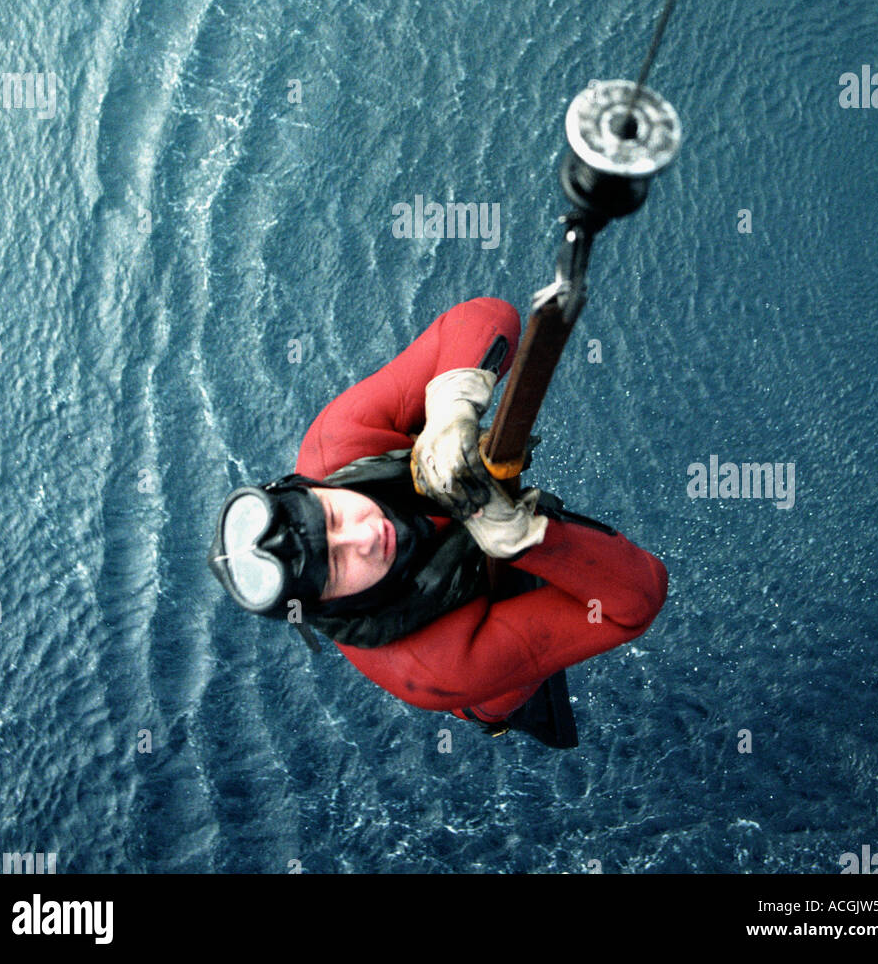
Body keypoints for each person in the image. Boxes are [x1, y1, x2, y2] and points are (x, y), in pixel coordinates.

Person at [208, 297, 668, 747]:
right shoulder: (437, 665)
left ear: (313, 486)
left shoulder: (339, 443)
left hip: (474, 585)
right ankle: (493, 718)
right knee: (503, 699)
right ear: (330, 608)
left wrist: (452, 406)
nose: (366, 535)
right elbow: (639, 598)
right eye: (337, 565)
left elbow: (486, 314)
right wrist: (526, 539)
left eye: (333, 514)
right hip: (479, 662)